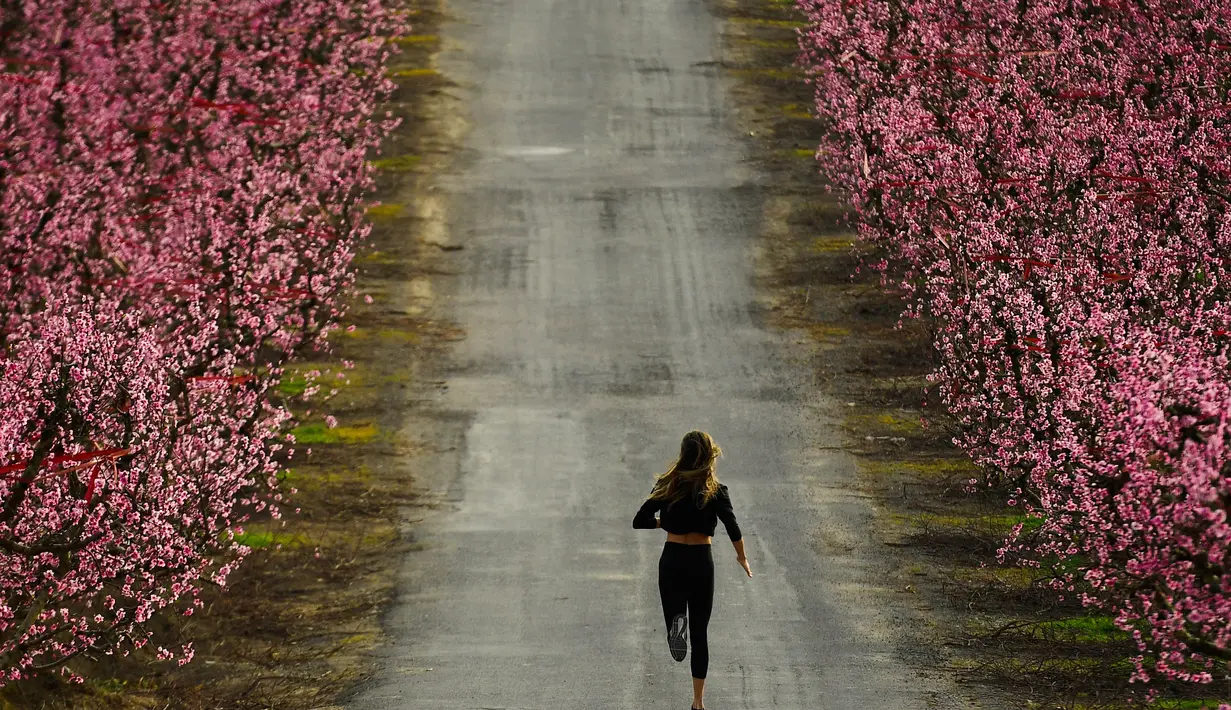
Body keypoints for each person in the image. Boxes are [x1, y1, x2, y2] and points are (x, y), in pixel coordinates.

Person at [632, 430, 752, 710]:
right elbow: (733, 528)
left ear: (682, 454)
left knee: (676, 614)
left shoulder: (668, 485)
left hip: (672, 558)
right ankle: (698, 702)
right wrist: (742, 558)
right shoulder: (716, 491)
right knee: (700, 634)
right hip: (701, 560)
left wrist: (665, 523)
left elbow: (640, 520)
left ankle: (676, 623)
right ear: (709, 456)